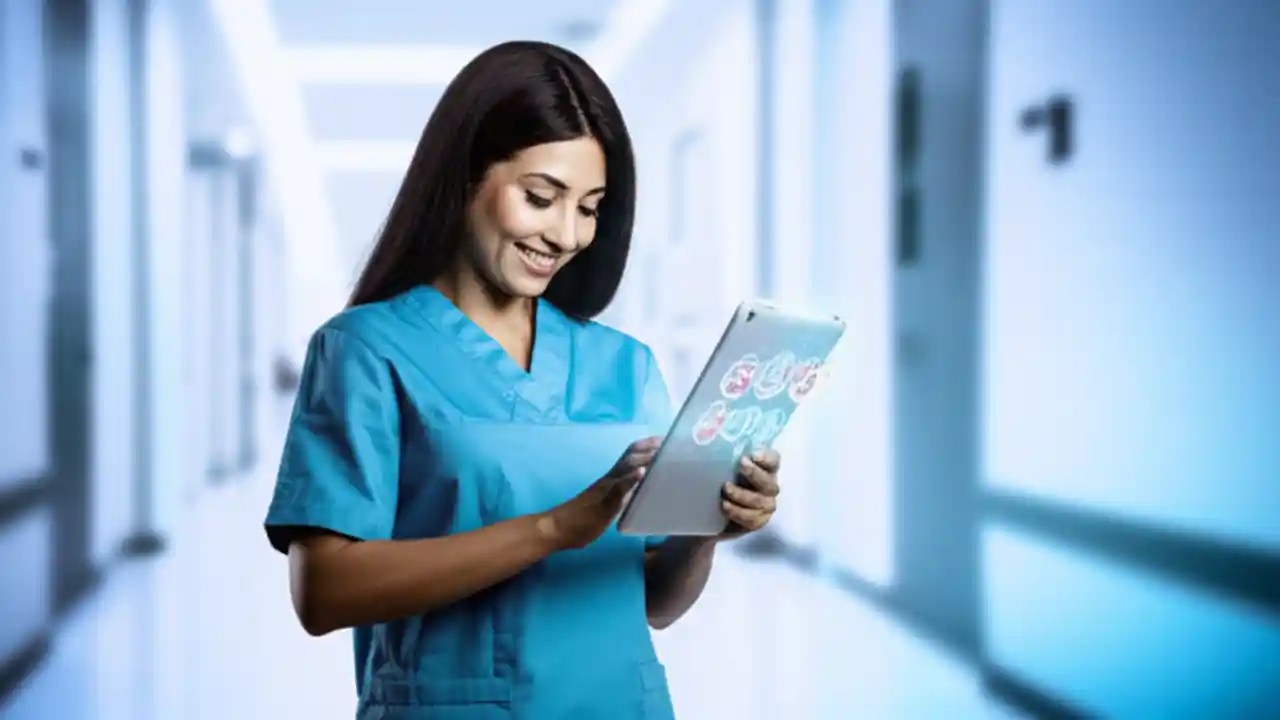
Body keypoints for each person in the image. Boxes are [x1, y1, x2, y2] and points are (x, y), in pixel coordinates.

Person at [263, 40, 783, 720]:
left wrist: (705, 530)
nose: (567, 235)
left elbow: (654, 603)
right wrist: (553, 528)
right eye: (542, 197)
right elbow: (323, 592)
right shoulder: (366, 350)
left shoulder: (624, 365)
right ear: (466, 176)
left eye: (590, 207)